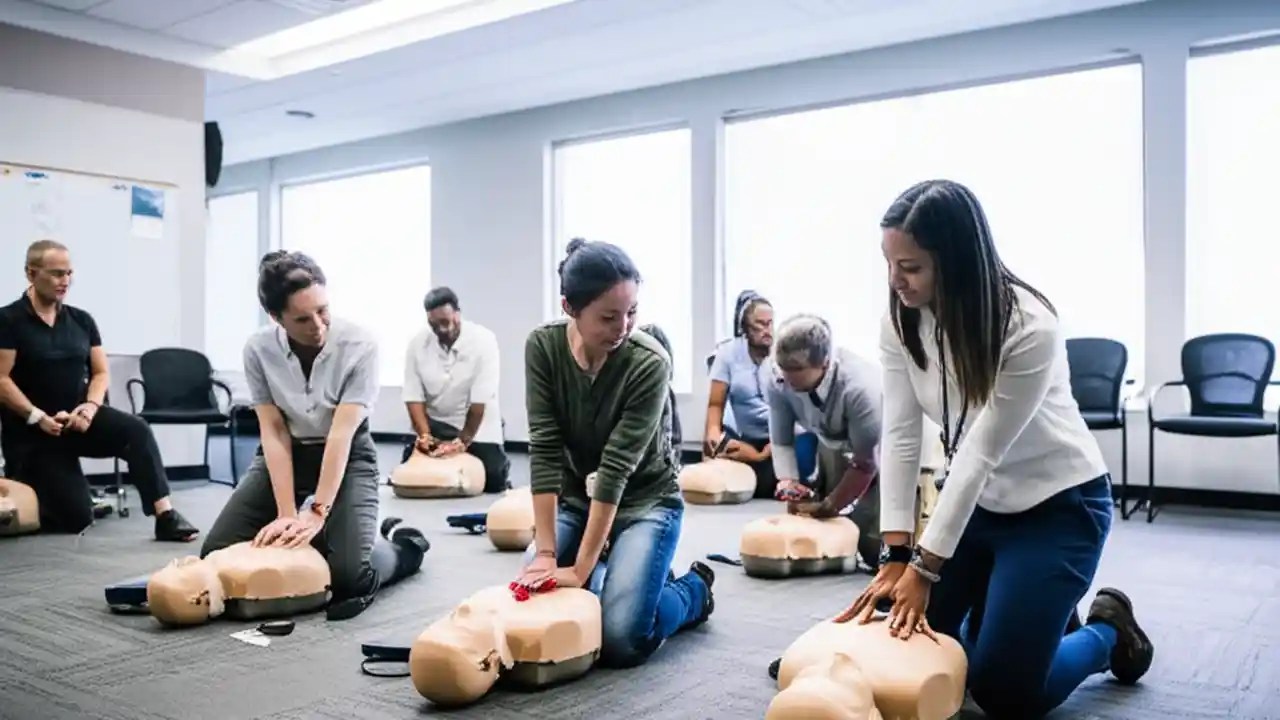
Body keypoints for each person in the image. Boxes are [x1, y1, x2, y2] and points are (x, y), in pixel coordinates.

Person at [838, 179, 1153, 719]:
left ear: (954, 260)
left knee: (1004, 691)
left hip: (1058, 510)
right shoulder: (902, 318)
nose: (895, 281)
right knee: (908, 638)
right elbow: (902, 436)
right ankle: (1031, 610)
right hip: (979, 511)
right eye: (889, 263)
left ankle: (1106, 631)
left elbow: (980, 453)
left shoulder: (1028, 326)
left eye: (910, 267)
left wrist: (925, 567)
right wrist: (895, 554)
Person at [515, 238, 714, 668]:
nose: (623, 327)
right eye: (608, 317)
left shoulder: (648, 362)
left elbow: (615, 470)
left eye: (632, 313)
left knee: (622, 638)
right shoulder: (543, 348)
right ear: (570, 307)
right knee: (531, 595)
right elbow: (545, 449)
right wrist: (547, 555)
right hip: (575, 501)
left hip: (645, 503)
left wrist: (580, 569)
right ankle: (615, 576)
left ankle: (692, 590)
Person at [200, 251, 428, 621]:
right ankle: (339, 534)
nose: (318, 325)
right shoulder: (258, 349)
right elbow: (273, 432)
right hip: (287, 450)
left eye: (323, 311)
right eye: (302, 318)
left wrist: (318, 511)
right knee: (215, 554)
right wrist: (288, 514)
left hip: (347, 454)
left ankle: (401, 546)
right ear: (276, 318)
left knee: (350, 576)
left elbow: (341, 435)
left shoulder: (361, 345)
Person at [0, 240, 198, 541]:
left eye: (68, 273)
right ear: (31, 273)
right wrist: (36, 416)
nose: (64, 281)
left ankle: (165, 515)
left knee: (136, 431)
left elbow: (100, 372)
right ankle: (31, 483)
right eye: (55, 274)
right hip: (34, 434)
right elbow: (1, 380)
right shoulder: (8, 320)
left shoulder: (81, 320)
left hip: (78, 421)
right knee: (76, 518)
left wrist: (90, 407)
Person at [766, 314, 883, 569]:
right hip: (830, 440)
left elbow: (866, 464)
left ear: (825, 363)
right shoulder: (777, 378)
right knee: (820, 524)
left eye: (796, 369)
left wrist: (832, 504)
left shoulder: (861, 389)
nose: (786, 376)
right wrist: (789, 482)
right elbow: (782, 439)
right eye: (782, 367)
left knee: (873, 542)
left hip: (883, 448)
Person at [401, 286, 511, 493]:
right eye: (434, 325)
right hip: (437, 423)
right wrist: (425, 436)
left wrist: (461, 442)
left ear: (458, 314)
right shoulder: (417, 344)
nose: (442, 330)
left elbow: (480, 401)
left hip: (477, 426)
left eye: (446, 322)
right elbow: (413, 397)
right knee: (412, 475)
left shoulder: (484, 341)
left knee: (493, 480)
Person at [703, 291, 780, 498]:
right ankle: (755, 462)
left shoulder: (782, 352)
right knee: (724, 447)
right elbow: (715, 405)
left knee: (768, 484)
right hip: (748, 438)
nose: (768, 330)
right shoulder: (727, 354)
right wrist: (713, 436)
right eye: (760, 324)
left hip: (782, 434)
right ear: (745, 328)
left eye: (771, 323)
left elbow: (798, 407)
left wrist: (778, 443)